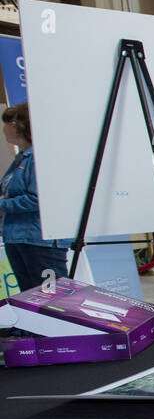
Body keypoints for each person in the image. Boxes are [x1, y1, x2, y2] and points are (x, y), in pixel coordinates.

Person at [1, 102, 70, 293]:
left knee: (52, 298)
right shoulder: (21, 159)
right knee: (29, 296)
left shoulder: (41, 158)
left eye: (7, 123)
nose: (3, 128)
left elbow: (38, 199)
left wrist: (2, 204)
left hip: (40, 240)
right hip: (18, 237)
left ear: (18, 125)